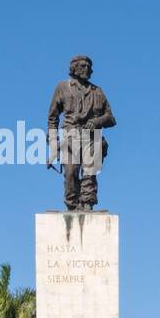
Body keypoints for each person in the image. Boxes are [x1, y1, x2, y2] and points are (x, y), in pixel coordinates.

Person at [46, 55, 116, 211]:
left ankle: (87, 204)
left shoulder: (97, 91)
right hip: (70, 138)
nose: (88, 69)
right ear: (74, 68)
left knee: (89, 173)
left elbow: (111, 118)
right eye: (83, 66)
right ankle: (72, 206)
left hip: (92, 138)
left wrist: (96, 122)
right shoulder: (62, 87)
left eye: (89, 67)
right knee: (70, 172)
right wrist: (52, 144)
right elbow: (52, 118)